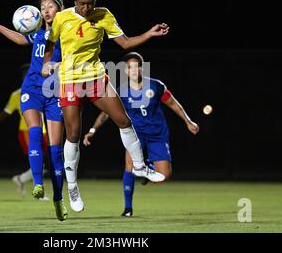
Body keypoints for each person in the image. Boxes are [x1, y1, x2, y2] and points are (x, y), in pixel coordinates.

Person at [41, 0, 169, 213]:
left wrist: (149, 34)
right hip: (69, 80)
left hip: (96, 78)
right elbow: (50, 42)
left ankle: (140, 166)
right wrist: (48, 62)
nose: (85, 8)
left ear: (95, 2)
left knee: (124, 120)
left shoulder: (104, 15)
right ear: (74, 1)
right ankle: (72, 186)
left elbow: (125, 43)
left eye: (89, 4)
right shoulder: (62, 18)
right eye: (81, 4)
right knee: (74, 135)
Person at [0, 0, 68, 221]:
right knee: (34, 132)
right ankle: (38, 184)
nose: (46, 9)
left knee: (56, 149)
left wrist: (57, 64)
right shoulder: (38, 31)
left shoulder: (66, 33)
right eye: (43, 6)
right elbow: (21, 39)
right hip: (32, 88)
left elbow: (75, 59)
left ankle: (59, 197)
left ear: (60, 10)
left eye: (51, 6)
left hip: (54, 92)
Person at [83, 52, 200, 217]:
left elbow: (173, 103)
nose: (133, 70)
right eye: (129, 67)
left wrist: (188, 121)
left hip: (157, 134)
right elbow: (106, 113)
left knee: (164, 175)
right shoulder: (121, 91)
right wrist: (92, 130)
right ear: (125, 71)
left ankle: (147, 169)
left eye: (136, 66)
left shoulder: (156, 86)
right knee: (129, 167)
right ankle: (128, 208)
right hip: (136, 135)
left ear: (141, 68)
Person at [0, 64, 50, 200]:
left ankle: (21, 179)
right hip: (27, 131)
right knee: (39, 160)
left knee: (46, 163)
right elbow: (5, 112)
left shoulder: (43, 90)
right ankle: (38, 192)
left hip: (43, 131)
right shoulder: (17, 94)